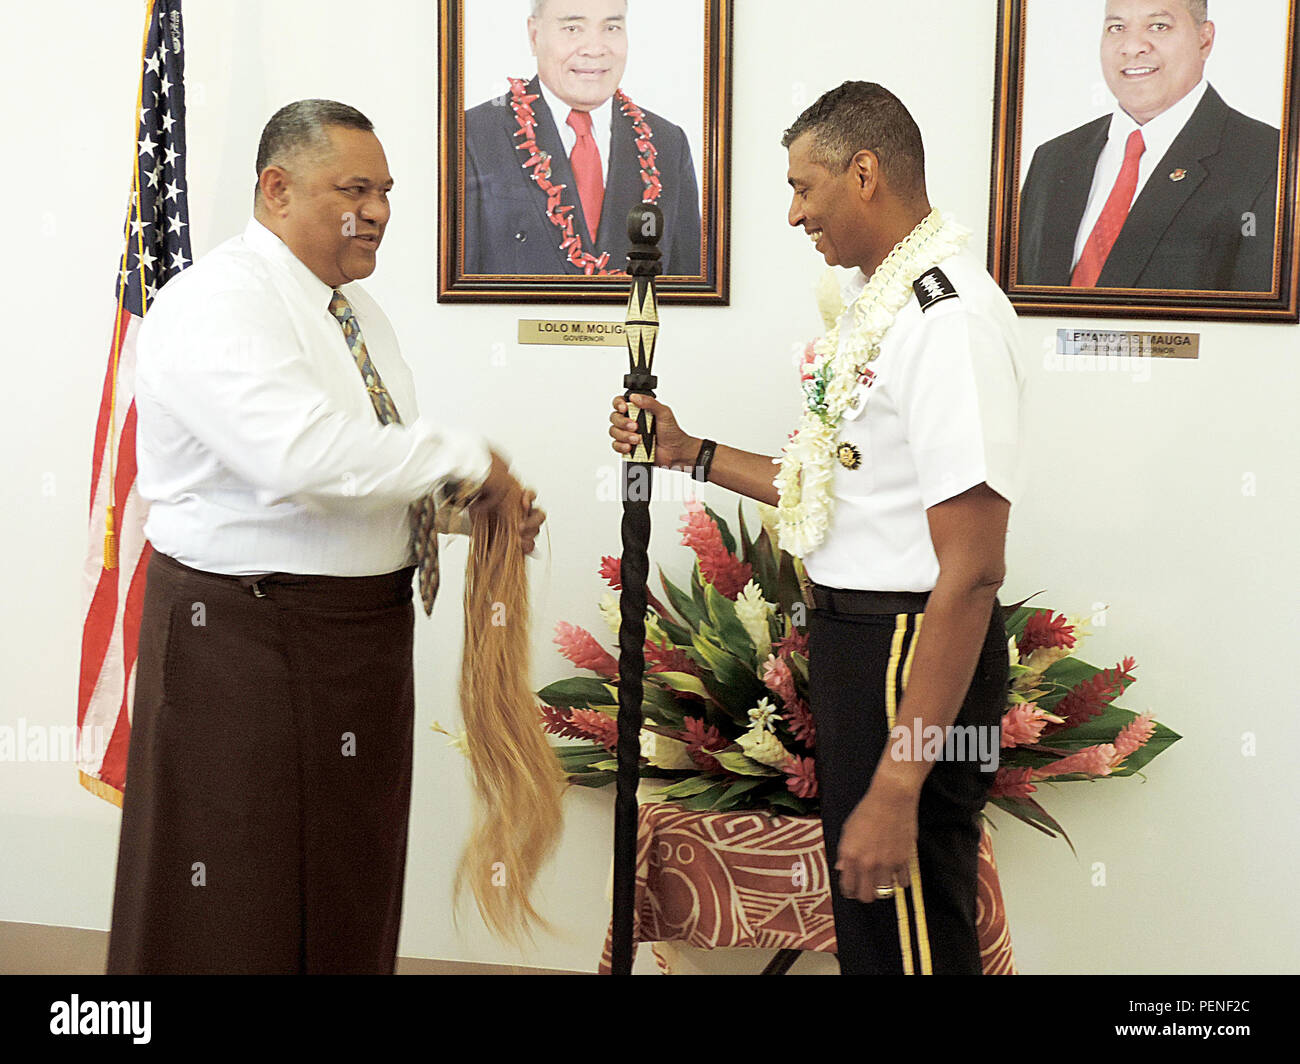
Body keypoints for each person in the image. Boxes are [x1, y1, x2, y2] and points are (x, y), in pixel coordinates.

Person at [107, 99, 544, 974]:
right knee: (236, 900)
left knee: (347, 884)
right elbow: (298, 459)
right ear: (277, 189)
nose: (379, 210)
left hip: (353, 648)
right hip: (244, 645)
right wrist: (467, 457)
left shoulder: (356, 316)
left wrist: (466, 513)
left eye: (385, 191)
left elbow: (357, 476)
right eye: (355, 189)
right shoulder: (217, 302)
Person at [609, 82, 1026, 975]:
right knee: (878, 939)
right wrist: (689, 450)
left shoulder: (943, 322)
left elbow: (974, 574)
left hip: (911, 648)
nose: (794, 213)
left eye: (805, 187)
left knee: (910, 940)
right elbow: (830, 491)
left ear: (865, 173)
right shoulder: (884, 304)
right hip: (859, 645)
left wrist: (900, 782)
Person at [1018, 0, 1279, 291]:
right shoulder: (1054, 160)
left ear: (1204, 40)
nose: (1133, 46)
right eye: (1117, 27)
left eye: (1158, 26)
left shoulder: (1270, 161)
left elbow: (1262, 327)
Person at [463, 0, 701, 276]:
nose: (595, 49)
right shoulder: (473, 137)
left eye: (611, 27)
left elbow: (690, 293)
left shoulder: (668, 144)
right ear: (534, 35)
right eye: (573, 28)